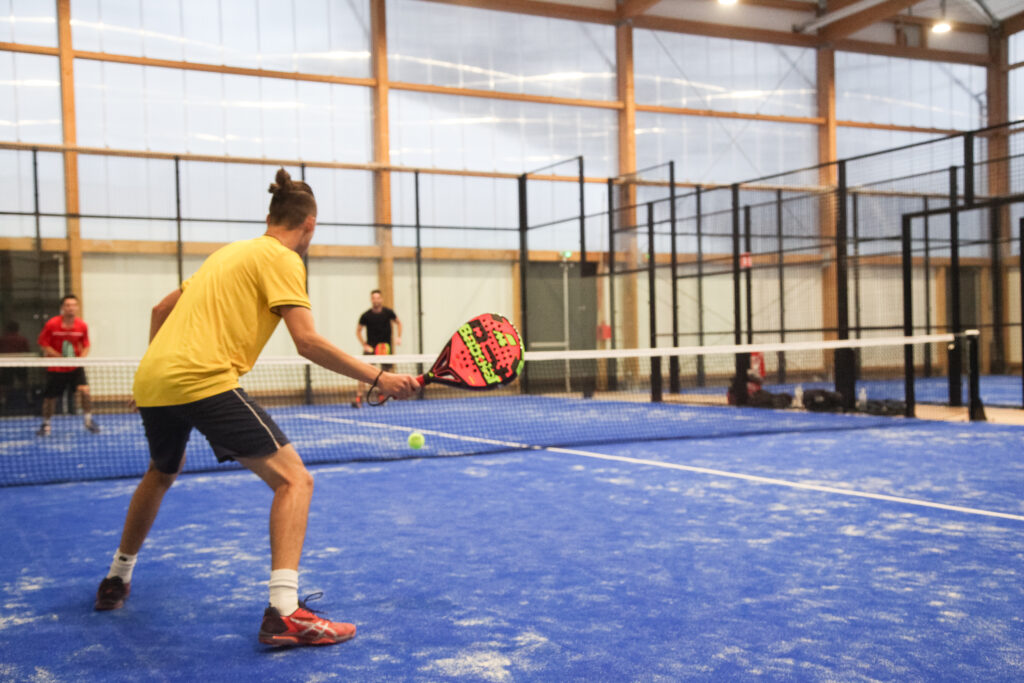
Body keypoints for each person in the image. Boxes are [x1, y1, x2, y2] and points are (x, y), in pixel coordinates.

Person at [93, 169, 420, 648]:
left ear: (270, 216)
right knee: (295, 480)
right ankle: (285, 612)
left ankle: (116, 578)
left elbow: (161, 310)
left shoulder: (227, 254)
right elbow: (306, 342)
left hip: (154, 378)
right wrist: (380, 377)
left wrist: (154, 372)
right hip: (201, 378)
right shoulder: (284, 260)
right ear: (310, 225)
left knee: (161, 473)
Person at [37, 295, 100, 436]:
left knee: (85, 391)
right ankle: (46, 424)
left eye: (73, 305)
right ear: (62, 308)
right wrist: (59, 357)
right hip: (56, 367)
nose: (71, 308)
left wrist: (81, 359)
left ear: (77, 307)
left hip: (75, 367)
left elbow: (86, 345)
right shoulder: (52, 324)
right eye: (67, 305)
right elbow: (43, 344)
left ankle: (88, 421)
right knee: (50, 398)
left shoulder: (81, 325)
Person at [352, 289, 402, 407]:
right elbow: (358, 331)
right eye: (373, 298)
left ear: (381, 299)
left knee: (386, 374)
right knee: (363, 373)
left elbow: (398, 323)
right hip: (371, 349)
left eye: (378, 298)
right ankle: (359, 397)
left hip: (385, 348)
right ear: (371, 300)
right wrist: (364, 344)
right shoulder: (366, 315)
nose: (376, 300)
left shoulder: (388, 312)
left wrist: (399, 337)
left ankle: (382, 395)